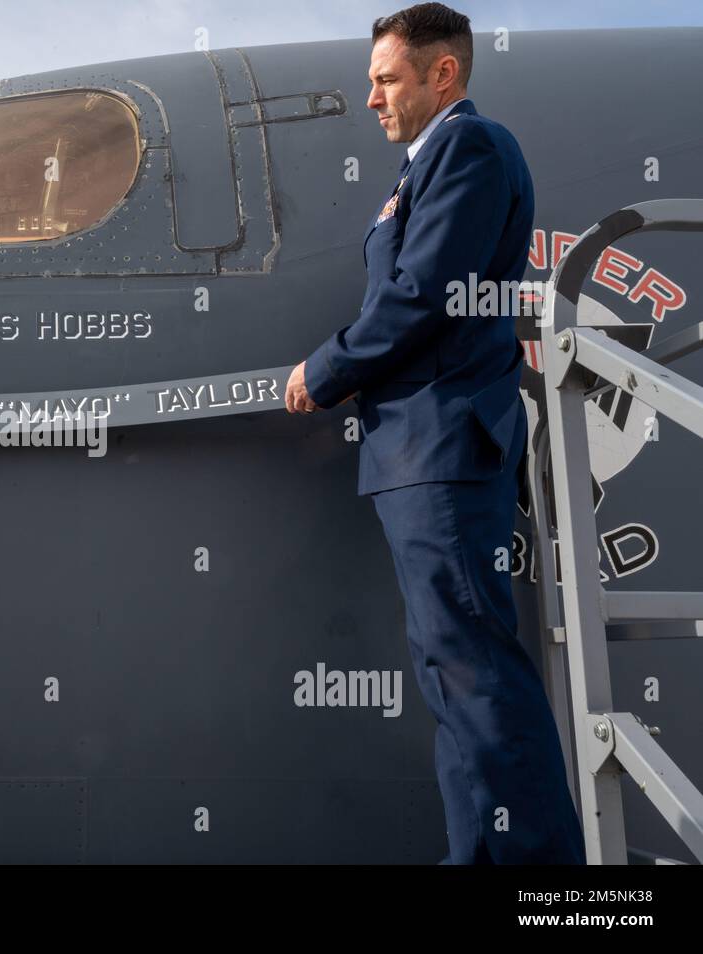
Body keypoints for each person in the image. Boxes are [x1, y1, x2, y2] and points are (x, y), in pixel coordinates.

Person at [284, 3, 585, 864]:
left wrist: (326, 371)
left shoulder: (469, 148)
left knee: (477, 674)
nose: (371, 97)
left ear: (441, 74)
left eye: (385, 78)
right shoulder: (426, 165)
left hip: (441, 448)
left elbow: (420, 293)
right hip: (416, 453)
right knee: (453, 679)